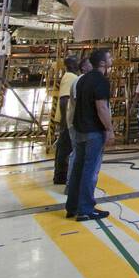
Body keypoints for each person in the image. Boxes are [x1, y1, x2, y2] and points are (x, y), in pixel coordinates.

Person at [66, 48, 114, 221]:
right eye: (110, 57)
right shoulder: (101, 81)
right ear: (102, 63)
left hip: (79, 129)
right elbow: (101, 107)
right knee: (90, 171)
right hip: (93, 130)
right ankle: (85, 208)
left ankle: (72, 206)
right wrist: (109, 129)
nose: (112, 59)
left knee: (78, 168)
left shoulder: (82, 80)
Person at [52, 55, 80, 185]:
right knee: (65, 147)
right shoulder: (71, 77)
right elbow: (64, 100)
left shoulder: (69, 76)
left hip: (67, 118)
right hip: (68, 119)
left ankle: (60, 174)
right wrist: (66, 120)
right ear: (73, 65)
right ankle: (61, 176)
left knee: (63, 146)